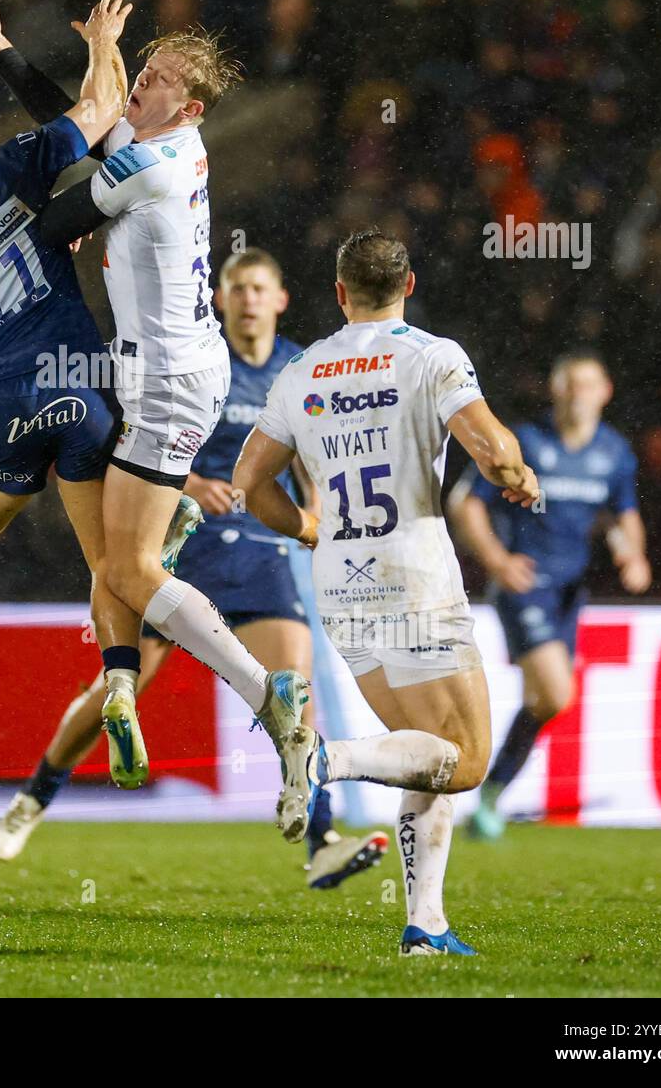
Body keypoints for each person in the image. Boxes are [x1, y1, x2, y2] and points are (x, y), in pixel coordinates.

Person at [0, 0, 315, 836]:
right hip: (164, 369)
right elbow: (75, 125)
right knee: (115, 558)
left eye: (157, 78)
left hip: (170, 383)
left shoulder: (154, 163)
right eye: (140, 69)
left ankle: (270, 696)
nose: (139, 84)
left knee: (130, 573)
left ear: (195, 103)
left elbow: (55, 210)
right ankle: (170, 521)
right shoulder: (159, 142)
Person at [0, 248, 389, 887]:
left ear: (280, 299)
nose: (250, 299)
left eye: (261, 288)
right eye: (239, 289)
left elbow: (310, 456)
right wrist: (191, 484)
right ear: (222, 300)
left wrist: (316, 516)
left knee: (293, 692)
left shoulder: (298, 368)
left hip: (262, 555)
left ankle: (323, 839)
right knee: (118, 690)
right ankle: (31, 799)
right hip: (180, 552)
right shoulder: (201, 363)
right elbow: (140, 442)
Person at [232, 230, 540, 955]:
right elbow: (493, 452)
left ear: (339, 293)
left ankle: (424, 925)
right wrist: (520, 477)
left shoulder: (302, 369)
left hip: (341, 583)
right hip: (414, 576)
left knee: (425, 750)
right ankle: (325, 760)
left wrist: (310, 528)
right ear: (409, 284)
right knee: (463, 759)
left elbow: (249, 485)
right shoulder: (432, 355)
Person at [450, 352, 650, 840]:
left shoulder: (614, 452)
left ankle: (491, 795)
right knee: (557, 692)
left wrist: (635, 555)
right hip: (525, 585)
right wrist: (497, 561)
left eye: (586, 384)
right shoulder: (528, 442)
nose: (576, 393)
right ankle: (485, 791)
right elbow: (465, 502)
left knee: (546, 700)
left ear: (605, 392)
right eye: (567, 384)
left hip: (569, 591)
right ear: (554, 390)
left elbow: (622, 513)